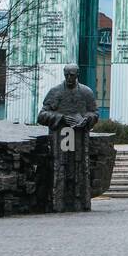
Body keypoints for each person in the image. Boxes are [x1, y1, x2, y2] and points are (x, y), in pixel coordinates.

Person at [38, 63, 99, 212]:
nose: (69, 78)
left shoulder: (86, 92)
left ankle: (80, 202)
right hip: (61, 136)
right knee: (61, 168)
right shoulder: (55, 92)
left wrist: (86, 119)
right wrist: (61, 118)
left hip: (79, 137)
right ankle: (59, 203)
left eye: (72, 75)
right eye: (66, 75)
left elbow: (94, 113)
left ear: (77, 74)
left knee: (80, 168)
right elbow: (41, 116)